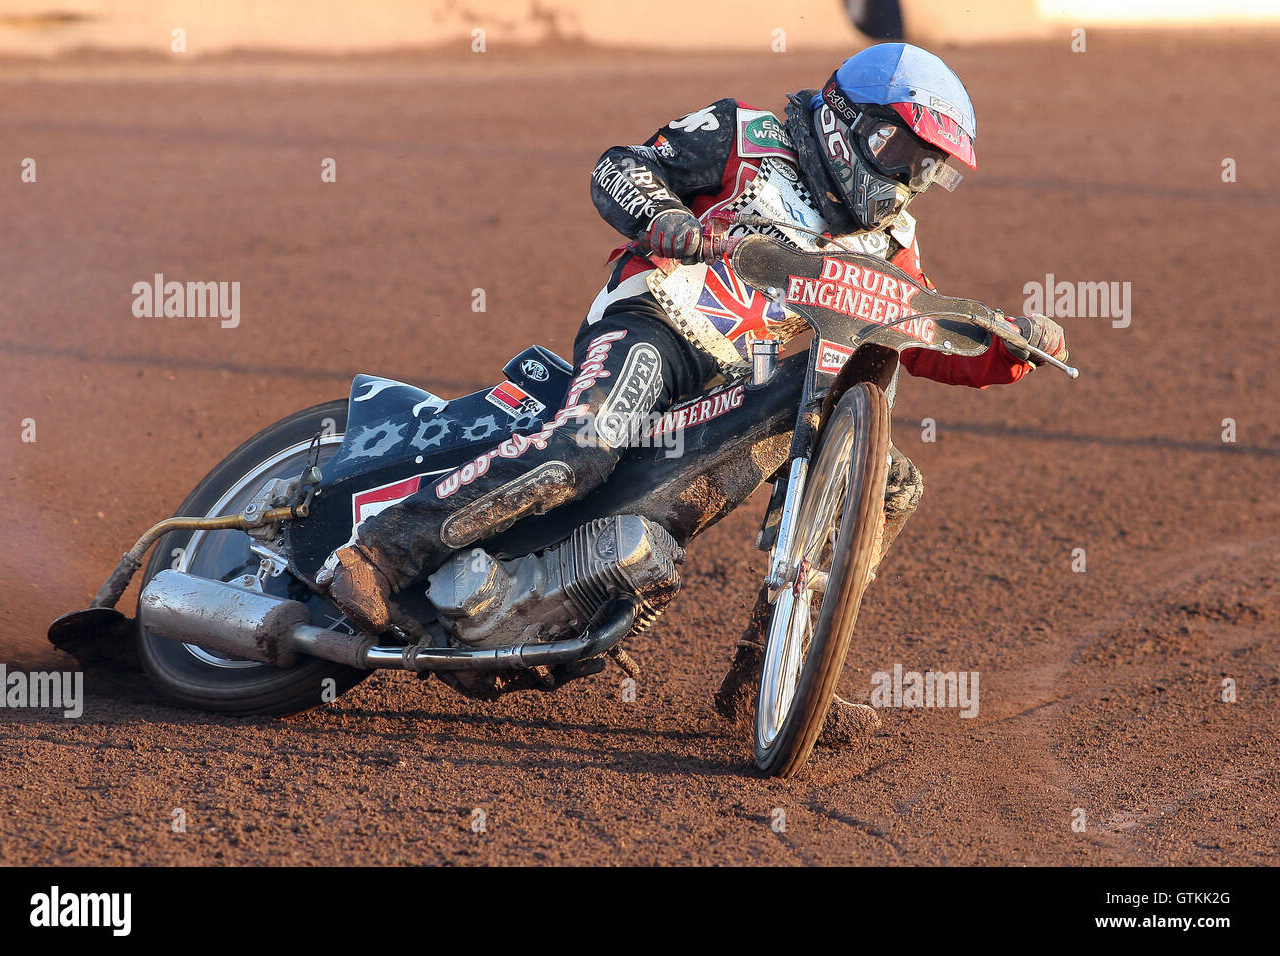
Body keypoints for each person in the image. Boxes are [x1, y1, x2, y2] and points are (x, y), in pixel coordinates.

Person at [321, 43, 1068, 719]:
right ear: (850, 124)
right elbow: (620, 166)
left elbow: (914, 336)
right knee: (589, 443)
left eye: (927, 169)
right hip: (661, 318)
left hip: (756, 380)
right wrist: (669, 219)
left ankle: (776, 672)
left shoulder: (890, 243)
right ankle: (383, 551)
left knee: (890, 486)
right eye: (901, 152)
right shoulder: (747, 134)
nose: (908, 180)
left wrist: (1011, 348)